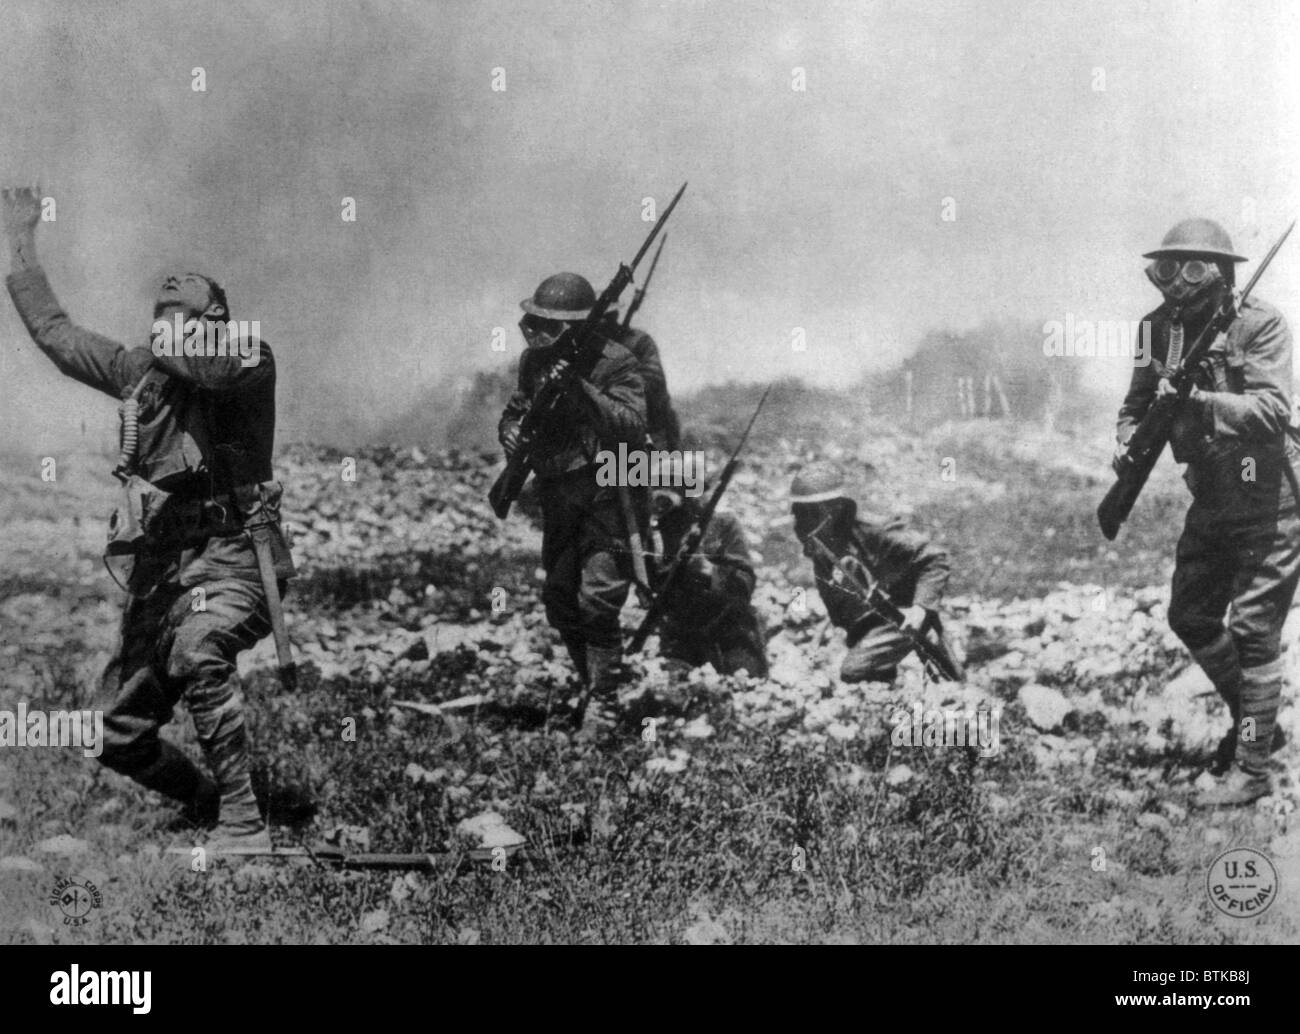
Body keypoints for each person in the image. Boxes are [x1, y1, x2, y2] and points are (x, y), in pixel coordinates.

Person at [2, 184, 294, 851]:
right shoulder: (142, 373)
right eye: (161, 308)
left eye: (183, 306)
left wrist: (170, 341)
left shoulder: (248, 356)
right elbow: (56, 335)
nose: (167, 309)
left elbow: (209, 371)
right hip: (164, 569)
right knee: (115, 731)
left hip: (235, 560)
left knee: (198, 648)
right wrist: (20, 240)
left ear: (216, 315)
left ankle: (244, 824)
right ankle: (206, 802)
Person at [1114, 218, 1295, 807]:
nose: (1178, 283)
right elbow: (1135, 405)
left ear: (1221, 275)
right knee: (1190, 614)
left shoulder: (1259, 323)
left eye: (1194, 269)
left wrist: (1198, 400)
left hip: (1269, 493)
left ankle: (1253, 770)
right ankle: (1256, 727)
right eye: (1167, 268)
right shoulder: (1154, 330)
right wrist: (1126, 441)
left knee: (1252, 629)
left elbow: (1272, 411)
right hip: (1214, 493)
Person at [498, 272, 647, 729]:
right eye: (536, 323)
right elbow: (518, 409)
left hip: (609, 491)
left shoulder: (617, 362)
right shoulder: (534, 361)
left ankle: (605, 705)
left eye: (551, 325)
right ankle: (592, 682)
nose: (539, 333)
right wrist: (510, 431)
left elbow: (631, 426)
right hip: (560, 492)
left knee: (598, 601)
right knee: (560, 599)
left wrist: (580, 389)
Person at [790, 461, 950, 685]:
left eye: (813, 512)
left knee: (853, 670)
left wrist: (920, 609)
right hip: (872, 620)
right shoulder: (820, 542)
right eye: (800, 512)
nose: (804, 521)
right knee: (866, 673)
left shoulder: (875, 532)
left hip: (904, 615)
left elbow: (935, 558)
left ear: (835, 509)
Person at [649, 482, 767, 678]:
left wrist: (708, 570)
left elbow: (745, 583)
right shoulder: (660, 528)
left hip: (730, 629)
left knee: (745, 681)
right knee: (673, 686)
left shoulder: (723, 522)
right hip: (682, 635)